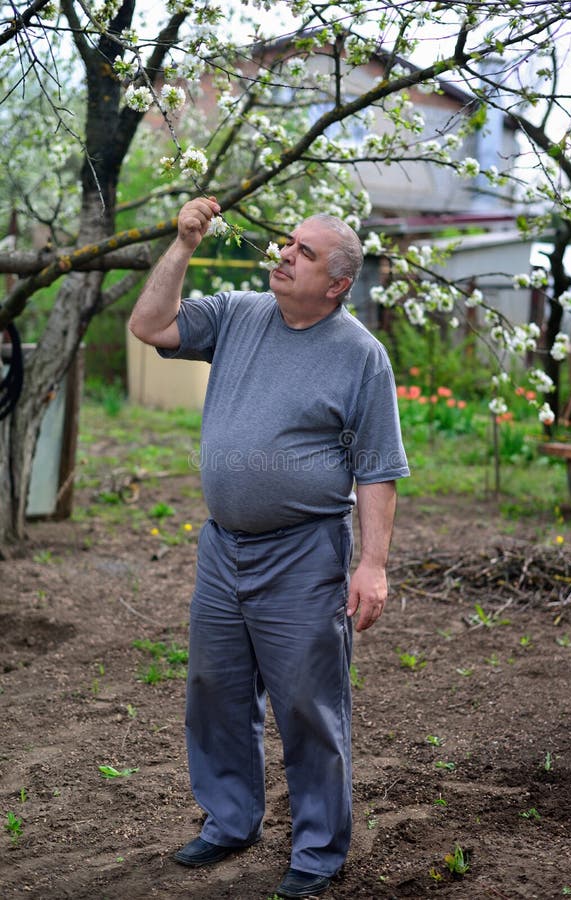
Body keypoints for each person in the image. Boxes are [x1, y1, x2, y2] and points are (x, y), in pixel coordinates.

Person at [128, 196, 409, 898]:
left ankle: (316, 851)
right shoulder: (238, 313)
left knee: (308, 706)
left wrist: (371, 565)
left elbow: (378, 468)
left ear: (338, 284)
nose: (285, 254)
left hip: (303, 555)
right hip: (223, 549)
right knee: (214, 691)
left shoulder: (359, 357)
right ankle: (229, 821)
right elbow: (148, 324)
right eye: (287, 244)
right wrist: (183, 243)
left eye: (305, 252)